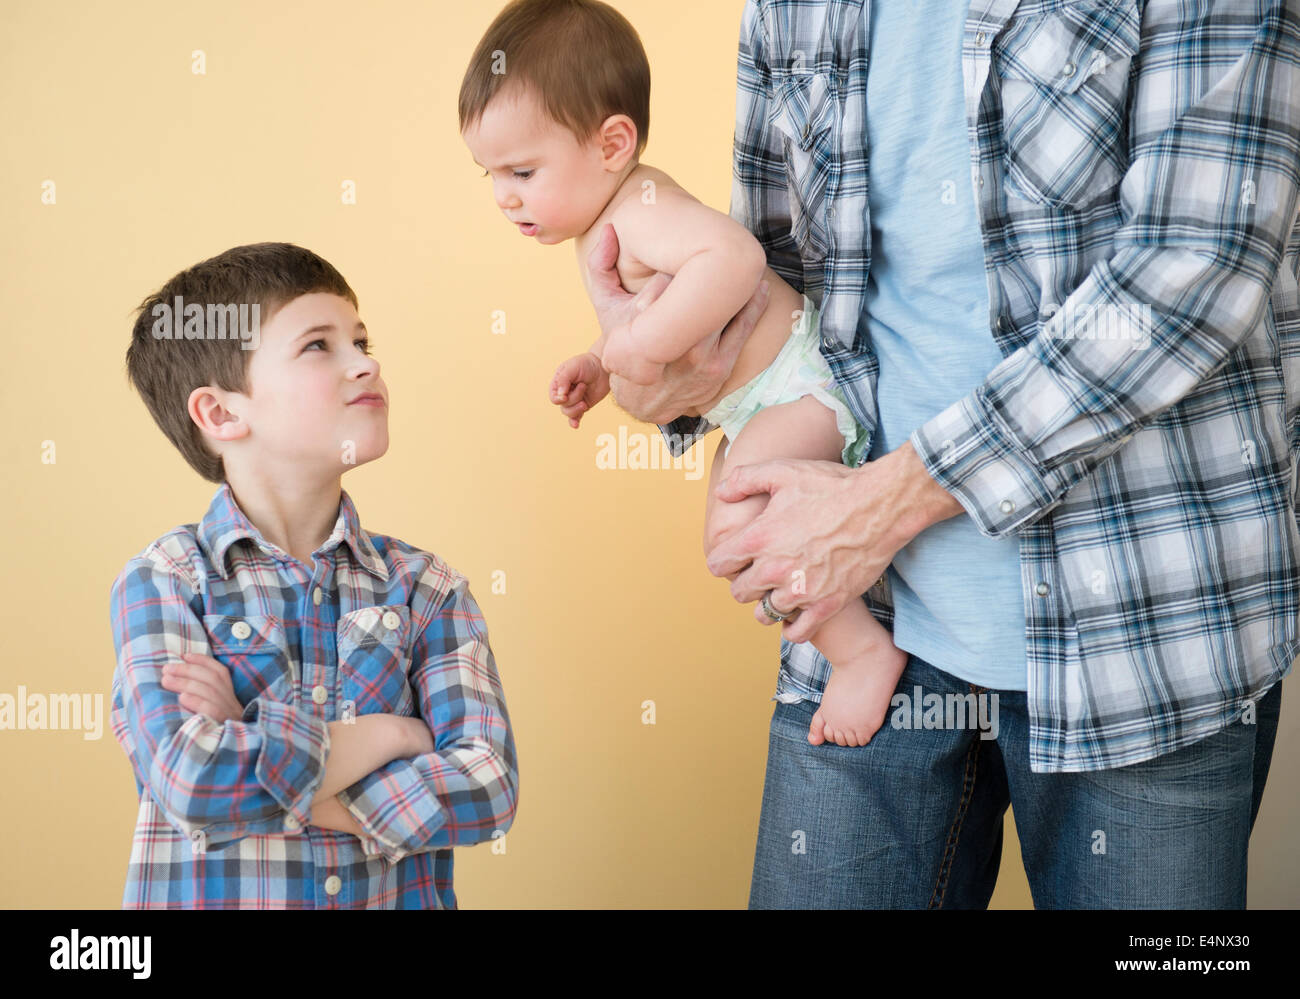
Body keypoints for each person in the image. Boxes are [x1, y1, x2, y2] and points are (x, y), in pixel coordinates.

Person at [605, 0, 1297, 908]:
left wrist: (881, 506)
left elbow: (1194, 266)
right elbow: (775, 272)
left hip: (1149, 635)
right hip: (871, 617)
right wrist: (676, 380)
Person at [459, 0, 907, 747]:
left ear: (612, 142)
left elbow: (734, 260)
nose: (505, 195)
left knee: (742, 527)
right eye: (491, 175)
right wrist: (603, 364)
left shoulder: (641, 203)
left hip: (800, 388)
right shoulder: (610, 218)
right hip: (759, 404)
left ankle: (863, 653)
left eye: (523, 170)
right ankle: (856, 633)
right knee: (730, 541)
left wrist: (639, 347)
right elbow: (649, 319)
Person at [109, 242, 518, 908]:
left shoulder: (427, 586)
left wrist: (250, 732)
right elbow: (192, 779)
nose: (367, 362)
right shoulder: (165, 581)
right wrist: (392, 735)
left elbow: (486, 786)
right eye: (319, 346)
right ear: (221, 413)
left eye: (361, 338)